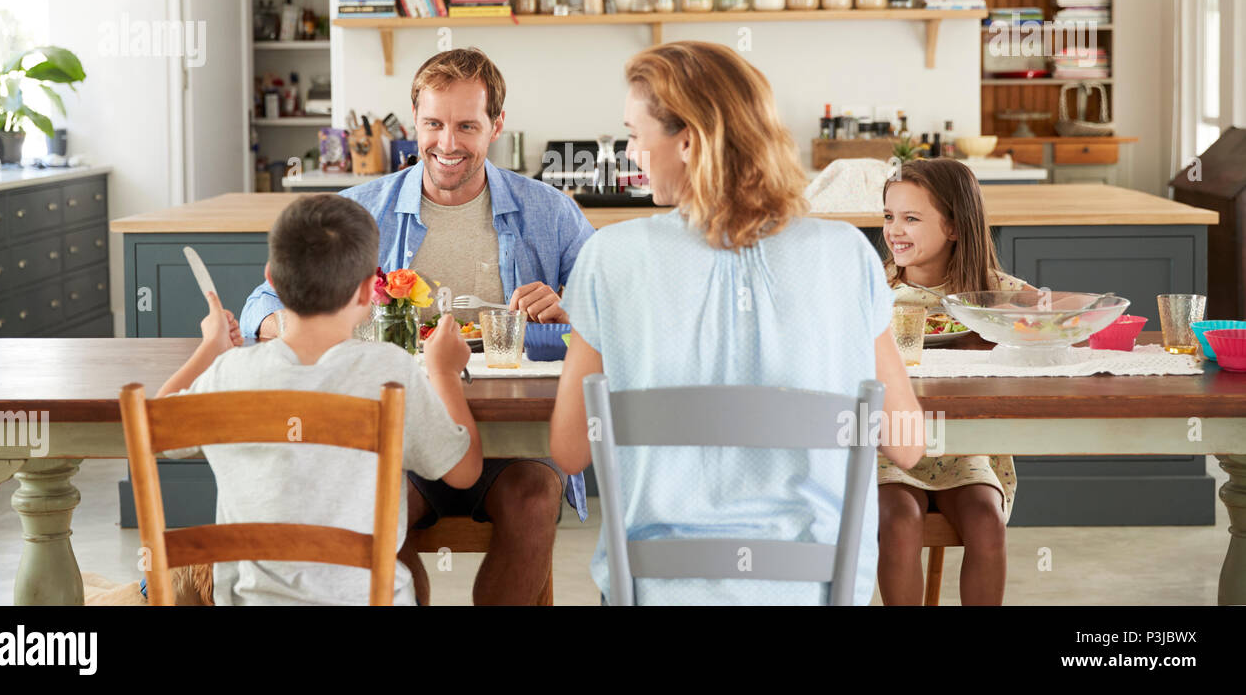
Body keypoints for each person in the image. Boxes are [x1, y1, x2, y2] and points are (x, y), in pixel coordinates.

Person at [549, 41, 925, 605]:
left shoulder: (611, 256)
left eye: (634, 135)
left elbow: (571, 449)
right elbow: (907, 444)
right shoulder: (846, 253)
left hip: (660, 591)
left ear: (689, 140)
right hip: (811, 591)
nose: (630, 154)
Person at [241, 47, 594, 605]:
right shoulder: (360, 211)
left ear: (496, 125)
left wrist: (574, 309)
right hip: (399, 435)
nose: (447, 144)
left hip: (513, 443)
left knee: (532, 500)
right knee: (381, 509)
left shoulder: (549, 211)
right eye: (433, 124)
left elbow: (609, 307)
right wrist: (307, 328)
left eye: (466, 126)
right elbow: (261, 304)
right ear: (414, 122)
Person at [157, 194, 480, 605]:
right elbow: (464, 473)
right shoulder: (391, 371)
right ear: (368, 292)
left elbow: (160, 432)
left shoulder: (230, 372)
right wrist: (444, 372)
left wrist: (211, 348)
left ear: (270, 279)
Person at [876, 158, 1035, 606]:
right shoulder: (876, 290)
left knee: (988, 522)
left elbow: (1050, 311)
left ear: (954, 227)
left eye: (911, 218)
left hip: (963, 449)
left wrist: (1035, 310)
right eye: (889, 217)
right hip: (889, 451)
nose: (895, 230)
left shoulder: (989, 292)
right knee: (898, 523)